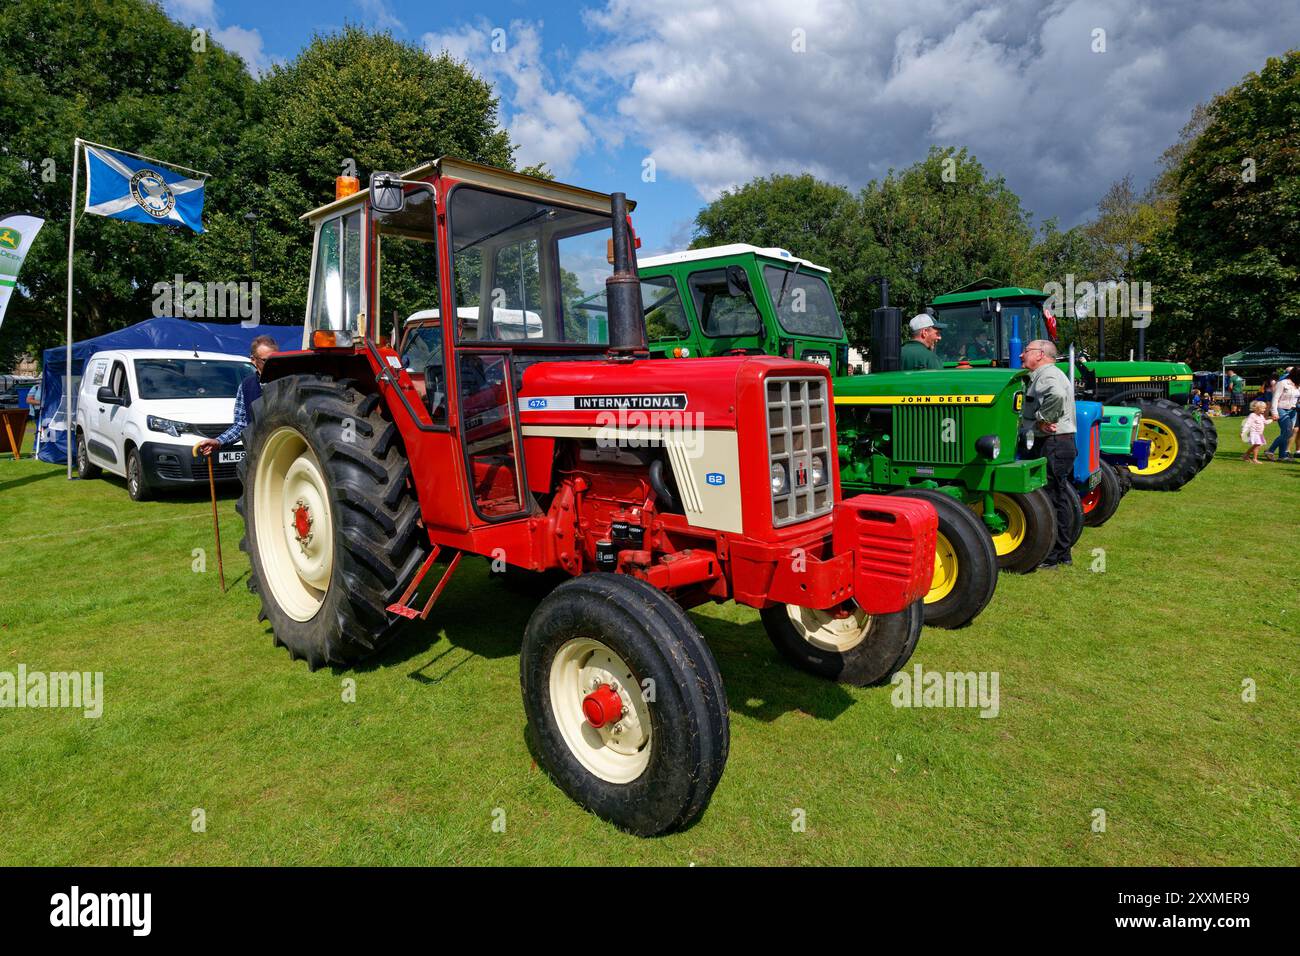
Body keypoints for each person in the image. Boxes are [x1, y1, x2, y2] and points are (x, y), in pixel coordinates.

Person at [1018, 339, 1076, 569]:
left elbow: (1058, 395)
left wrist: (1044, 420)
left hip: (1052, 444)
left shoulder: (1047, 376)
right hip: (1057, 444)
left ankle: (1052, 556)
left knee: (1050, 500)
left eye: (1026, 351)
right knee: (1057, 498)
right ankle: (1062, 553)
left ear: (1040, 354)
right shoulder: (1047, 374)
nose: (1022, 355)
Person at [195, 335, 279, 457]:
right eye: (266, 360)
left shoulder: (291, 381)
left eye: (276, 359)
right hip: (259, 454)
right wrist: (218, 441)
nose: (273, 364)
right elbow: (241, 425)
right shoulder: (246, 386)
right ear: (253, 360)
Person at [1264, 367, 1299, 461]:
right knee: (1288, 432)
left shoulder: (1298, 385)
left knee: (1285, 433)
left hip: (1293, 411)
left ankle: (1282, 456)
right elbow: (1275, 398)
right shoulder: (1282, 383)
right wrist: (1274, 412)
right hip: (1281, 409)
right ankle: (1270, 450)